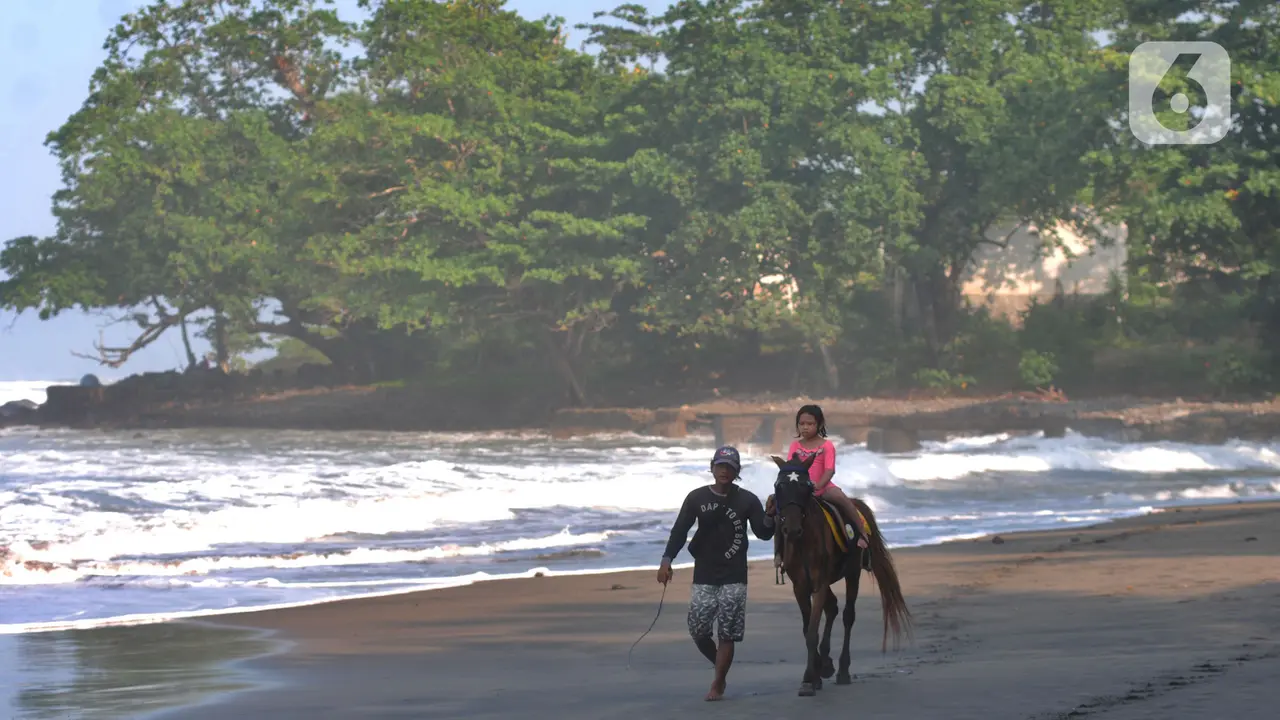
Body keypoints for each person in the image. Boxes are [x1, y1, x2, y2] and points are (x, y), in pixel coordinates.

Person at [657, 445, 775, 702]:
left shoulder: (747, 500)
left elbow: (764, 533)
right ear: (712, 467)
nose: (724, 471)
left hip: (734, 574)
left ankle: (718, 681)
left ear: (737, 471)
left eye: (730, 467)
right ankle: (721, 664)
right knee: (698, 630)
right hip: (704, 573)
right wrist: (667, 560)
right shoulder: (696, 498)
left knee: (727, 633)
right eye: (720, 466)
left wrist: (769, 516)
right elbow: (679, 531)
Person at [785, 404, 868, 550]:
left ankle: (862, 534)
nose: (805, 427)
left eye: (810, 424)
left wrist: (818, 485)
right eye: (801, 424)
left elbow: (830, 470)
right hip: (801, 490)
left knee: (843, 500)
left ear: (819, 424)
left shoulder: (827, 446)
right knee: (779, 507)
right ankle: (779, 551)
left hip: (824, 488)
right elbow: (791, 469)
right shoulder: (795, 446)